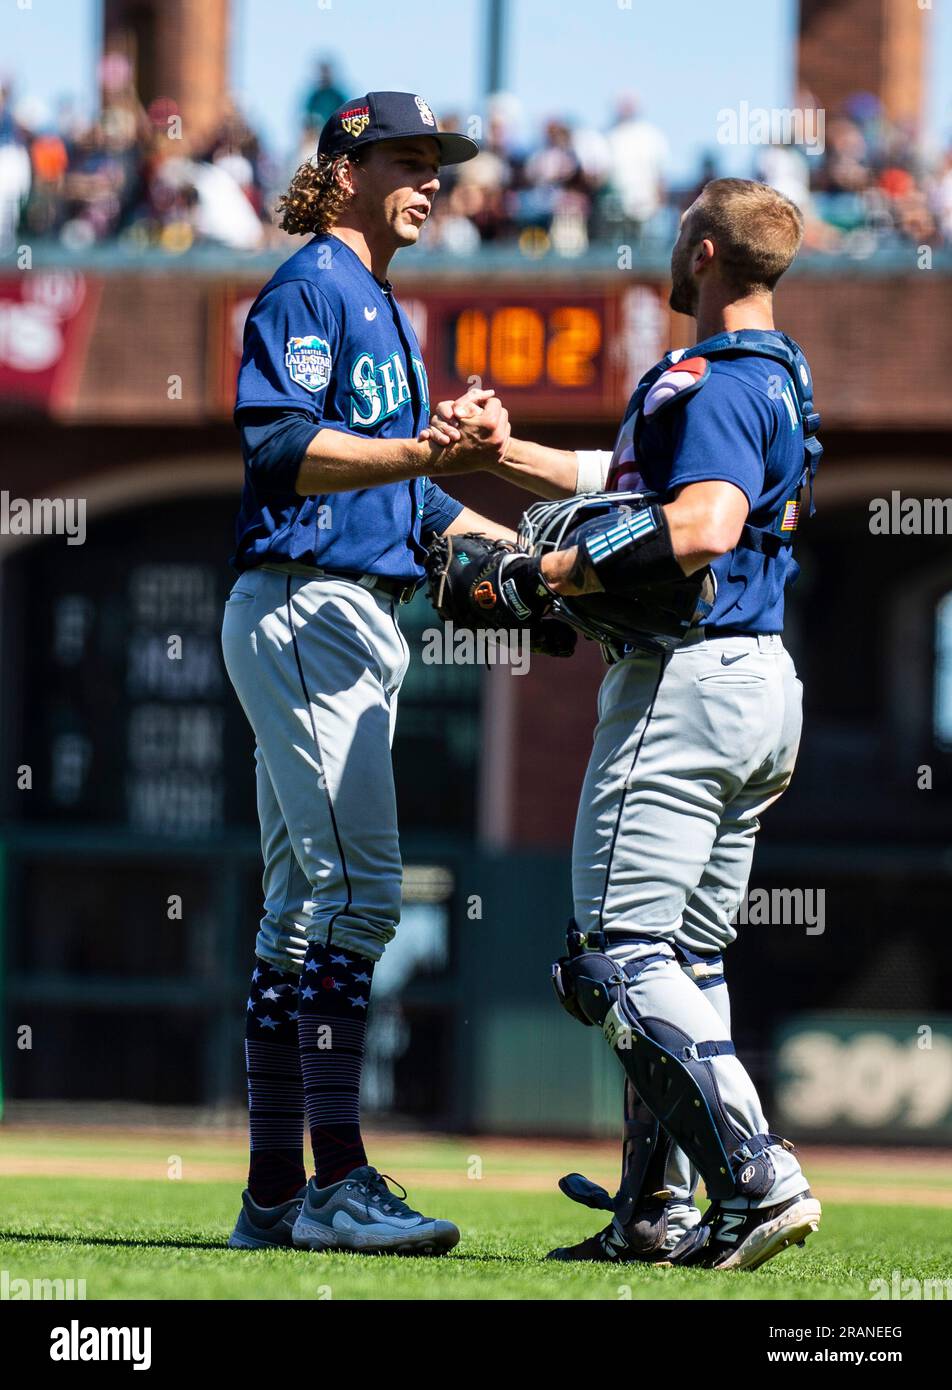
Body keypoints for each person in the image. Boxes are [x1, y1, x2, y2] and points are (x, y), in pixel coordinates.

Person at [425, 178, 823, 1271]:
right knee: (684, 960)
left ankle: (754, 1175)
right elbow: (629, 483)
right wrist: (500, 453)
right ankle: (658, 1212)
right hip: (755, 685)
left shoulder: (711, 378)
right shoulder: (772, 377)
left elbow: (697, 524)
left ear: (700, 251)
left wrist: (532, 577)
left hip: (682, 687)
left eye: (679, 225)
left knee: (612, 960)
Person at [221, 91, 513, 1255]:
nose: (432, 176)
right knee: (360, 899)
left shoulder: (384, 304)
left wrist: (509, 537)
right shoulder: (312, 287)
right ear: (344, 168)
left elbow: (406, 490)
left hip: (343, 613)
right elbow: (281, 448)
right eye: (407, 156)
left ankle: (272, 1196)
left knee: (298, 919)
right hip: (307, 604)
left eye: (438, 160)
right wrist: (417, 448)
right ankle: (337, 1181)